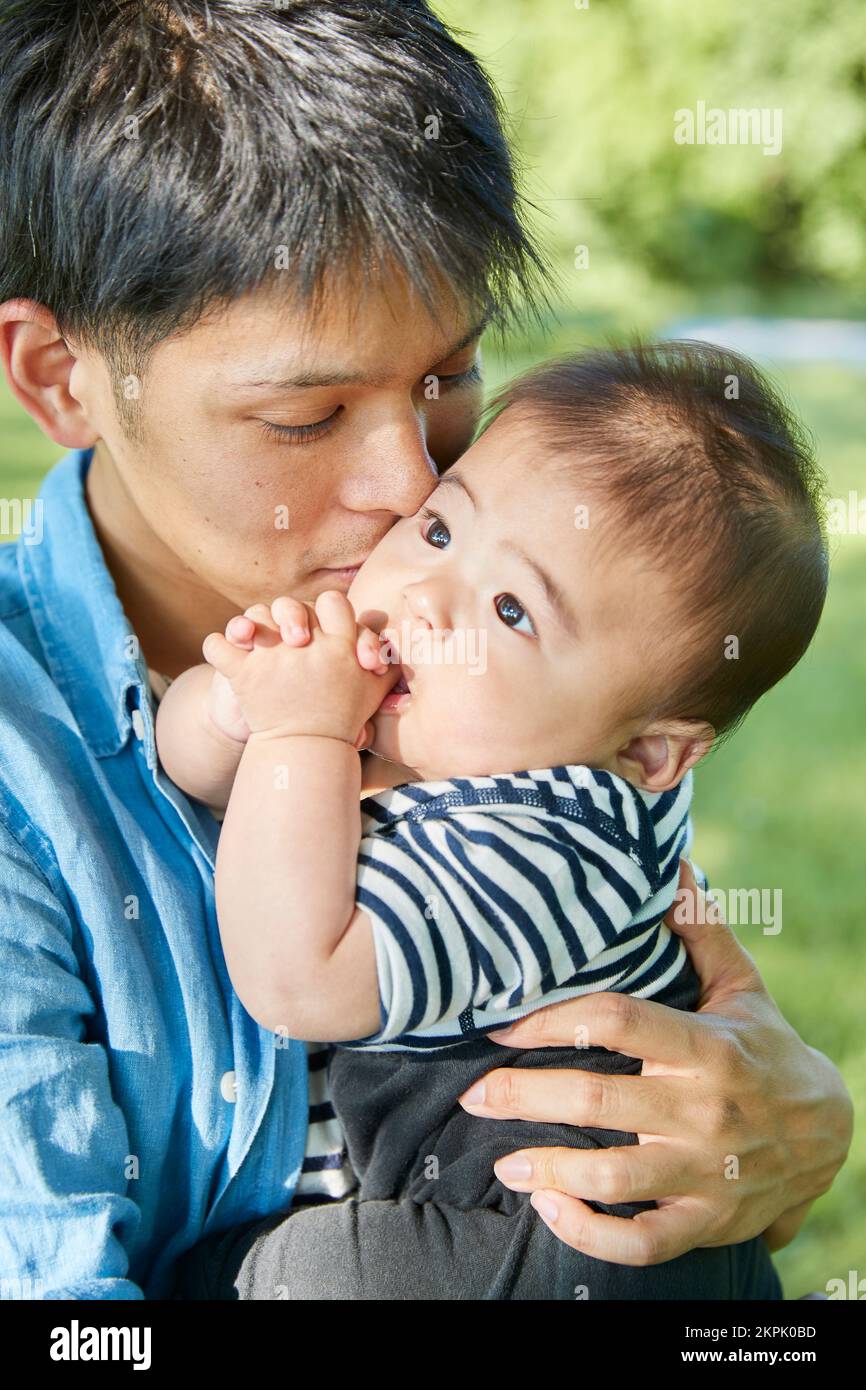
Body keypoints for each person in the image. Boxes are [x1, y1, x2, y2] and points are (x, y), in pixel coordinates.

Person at [0, 1, 852, 1301]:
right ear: (58, 375)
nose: (410, 482)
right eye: (307, 412)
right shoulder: (23, 763)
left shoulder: (510, 643)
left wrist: (777, 1119)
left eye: (447, 378)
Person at [158, 342, 826, 1299]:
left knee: (291, 1277)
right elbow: (189, 763)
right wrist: (240, 707)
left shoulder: (549, 844)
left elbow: (300, 980)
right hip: (492, 1215)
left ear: (645, 753)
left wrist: (300, 733)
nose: (430, 599)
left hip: (553, 1237)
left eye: (511, 611)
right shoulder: (486, 730)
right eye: (437, 533)